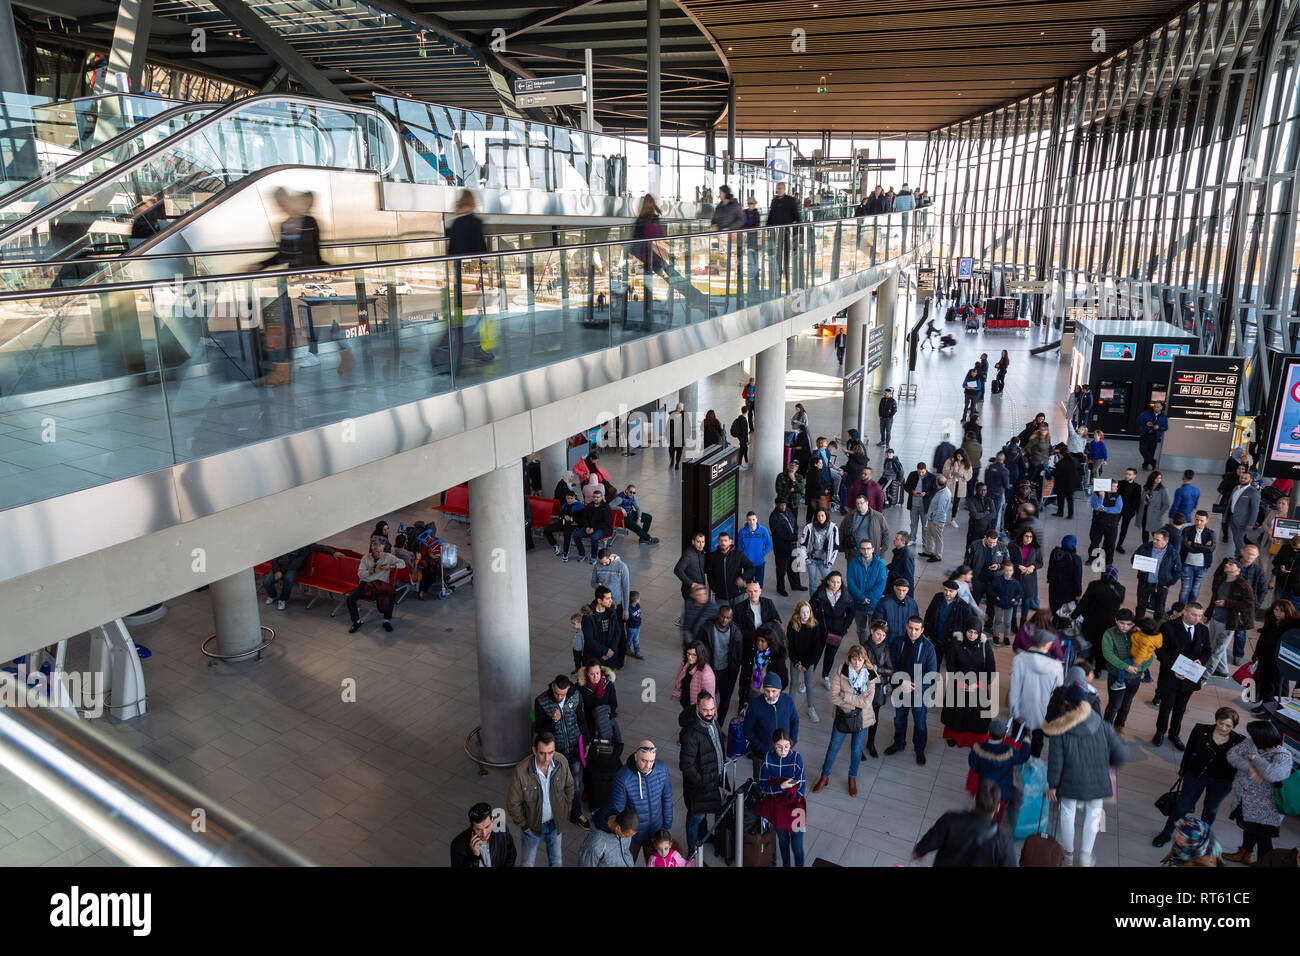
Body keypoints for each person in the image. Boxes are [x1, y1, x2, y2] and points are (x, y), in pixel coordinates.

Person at [1043, 684, 1128, 867]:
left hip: (1070, 781)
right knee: (1094, 814)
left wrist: (1052, 785)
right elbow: (1121, 754)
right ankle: (1085, 856)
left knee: (1067, 813)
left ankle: (1067, 854)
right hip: (1097, 781)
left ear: (1066, 703)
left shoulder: (1060, 729)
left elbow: (1055, 761)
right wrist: (1106, 765)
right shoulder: (1103, 725)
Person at [1152, 707, 1244, 847]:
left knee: (1210, 810)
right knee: (1182, 806)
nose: (1223, 728)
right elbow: (1189, 750)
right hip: (1196, 775)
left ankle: (1202, 837)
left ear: (1234, 726)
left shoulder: (1239, 742)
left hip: (1222, 781)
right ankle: (1166, 833)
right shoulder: (1201, 730)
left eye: (1228, 726)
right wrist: (1183, 770)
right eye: (1221, 723)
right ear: (1216, 720)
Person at [1223, 721, 1295, 863]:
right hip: (1246, 799)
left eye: (1253, 735)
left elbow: (1273, 775)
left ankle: (1265, 863)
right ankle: (1245, 854)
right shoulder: (1251, 743)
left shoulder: (1283, 755)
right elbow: (1232, 754)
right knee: (1249, 829)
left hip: (1268, 808)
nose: (1250, 737)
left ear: (1262, 737)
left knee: (1264, 841)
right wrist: (1249, 769)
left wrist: (1255, 759)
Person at [911, 778, 1016, 867]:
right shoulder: (1004, 841)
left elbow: (932, 838)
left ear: (975, 799)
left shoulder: (951, 820)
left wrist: (919, 851)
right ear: (998, 808)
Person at [532, 675, 592, 829]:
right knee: (556, 784)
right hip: (556, 752)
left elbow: (581, 719)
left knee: (575, 783)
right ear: (552, 686)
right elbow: (539, 730)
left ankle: (576, 813)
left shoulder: (575, 695)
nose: (559, 697)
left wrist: (586, 741)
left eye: (562, 694)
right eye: (557, 693)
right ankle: (552, 813)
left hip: (574, 747)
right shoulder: (541, 701)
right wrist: (552, 720)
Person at [506, 732, 574, 867]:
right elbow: (513, 803)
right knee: (527, 864)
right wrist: (524, 825)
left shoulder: (561, 762)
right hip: (532, 827)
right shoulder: (521, 771)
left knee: (556, 862)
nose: (547, 758)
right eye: (542, 753)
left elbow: (569, 787)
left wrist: (565, 810)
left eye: (551, 752)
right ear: (534, 750)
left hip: (555, 824)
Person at [1153, 602, 1211, 749]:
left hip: (1190, 677)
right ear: (1184, 612)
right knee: (1166, 706)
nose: (1197, 618)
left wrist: (1201, 661)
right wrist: (1173, 668)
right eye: (1194, 614)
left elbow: (1208, 650)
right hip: (1170, 675)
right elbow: (1160, 651)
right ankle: (1160, 732)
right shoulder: (1169, 627)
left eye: (1200, 616)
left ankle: (1174, 734)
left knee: (1181, 707)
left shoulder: (1203, 630)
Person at [444, 189, 490, 374]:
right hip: (473, 276)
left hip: (457, 277)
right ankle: (477, 350)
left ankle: (459, 353)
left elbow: (451, 251)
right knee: (477, 315)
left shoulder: (455, 223)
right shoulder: (476, 222)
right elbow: (482, 249)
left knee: (460, 316)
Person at [884, 616, 940, 765]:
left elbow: (932, 672)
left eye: (916, 629)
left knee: (920, 722)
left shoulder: (929, 648)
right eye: (910, 628)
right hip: (901, 689)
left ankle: (919, 749)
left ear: (922, 630)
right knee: (900, 719)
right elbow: (892, 665)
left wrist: (914, 684)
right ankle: (898, 744)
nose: (913, 632)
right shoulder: (898, 642)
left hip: (919, 691)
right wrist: (902, 682)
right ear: (906, 627)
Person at [678, 692, 725, 860]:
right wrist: (703, 781)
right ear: (697, 708)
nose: (710, 713)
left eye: (712, 709)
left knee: (705, 811)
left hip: (711, 779)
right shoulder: (691, 733)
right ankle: (692, 851)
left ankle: (704, 835)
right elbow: (686, 766)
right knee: (695, 816)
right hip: (699, 786)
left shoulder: (711, 721)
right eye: (705, 710)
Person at [609, 741, 674, 861]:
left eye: (651, 761)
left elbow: (667, 798)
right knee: (628, 862)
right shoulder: (623, 777)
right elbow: (617, 810)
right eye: (644, 760)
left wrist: (666, 825)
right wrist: (623, 834)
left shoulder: (661, 769)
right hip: (633, 835)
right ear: (636, 756)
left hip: (656, 831)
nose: (648, 766)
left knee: (656, 863)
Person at [1009, 628, 1064, 758]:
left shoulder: (1019, 659)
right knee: (1038, 738)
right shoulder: (1056, 666)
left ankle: (1014, 758)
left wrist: (1014, 710)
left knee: (1017, 735)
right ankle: (1033, 761)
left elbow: (1015, 687)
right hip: (1043, 710)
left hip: (1022, 707)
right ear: (1047, 644)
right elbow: (1059, 689)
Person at [940, 626, 996, 748]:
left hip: (978, 688)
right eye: (970, 631)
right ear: (965, 631)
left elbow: (991, 667)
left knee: (975, 718)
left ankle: (973, 740)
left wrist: (977, 685)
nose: (972, 635)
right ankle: (954, 737)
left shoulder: (984, 645)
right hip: (958, 685)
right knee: (956, 715)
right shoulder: (956, 644)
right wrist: (960, 683)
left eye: (976, 633)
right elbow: (951, 666)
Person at [967, 717, 1030, 823]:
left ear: (988, 732)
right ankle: (993, 827)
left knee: (982, 807)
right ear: (1004, 736)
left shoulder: (978, 748)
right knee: (997, 814)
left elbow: (973, 765)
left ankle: (979, 824)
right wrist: (1026, 743)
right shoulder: (1010, 752)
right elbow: (1023, 757)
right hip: (1002, 791)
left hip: (984, 786)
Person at [1205, 557, 1256, 677]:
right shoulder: (1221, 580)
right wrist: (1208, 613)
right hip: (1215, 618)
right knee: (1216, 646)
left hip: (1228, 622)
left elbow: (1249, 605)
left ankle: (1205, 675)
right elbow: (1214, 598)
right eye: (1227, 563)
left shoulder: (1243, 585)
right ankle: (1222, 671)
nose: (1227, 565)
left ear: (1238, 570)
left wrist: (1227, 603)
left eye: (1231, 564)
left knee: (1216, 650)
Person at [743, 673, 799, 781]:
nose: (770, 694)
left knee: (781, 782)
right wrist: (760, 747)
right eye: (767, 690)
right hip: (761, 756)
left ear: (780, 689)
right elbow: (747, 730)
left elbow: (795, 720)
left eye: (774, 691)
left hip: (784, 753)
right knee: (760, 782)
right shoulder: (755, 705)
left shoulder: (788, 700)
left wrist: (793, 740)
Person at [697, 603, 743, 724]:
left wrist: (735, 669)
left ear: (731, 618)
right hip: (709, 670)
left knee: (725, 700)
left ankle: (718, 726)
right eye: (722, 616)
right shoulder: (707, 628)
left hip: (727, 672)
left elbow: (738, 654)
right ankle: (705, 724)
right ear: (718, 615)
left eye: (728, 617)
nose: (724, 620)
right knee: (706, 699)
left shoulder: (735, 632)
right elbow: (697, 647)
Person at [1252, 600, 1300, 712]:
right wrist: (1256, 653)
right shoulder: (1271, 621)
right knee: (1266, 682)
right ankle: (1265, 704)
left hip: (1281, 660)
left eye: (1282, 611)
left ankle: (1274, 710)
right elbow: (1262, 638)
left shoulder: (1291, 624)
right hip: (1266, 657)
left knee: (1278, 685)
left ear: (1288, 612)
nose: (1277, 613)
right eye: (1276, 610)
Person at [263, 543, 342, 611]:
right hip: (280, 567)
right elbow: (274, 559)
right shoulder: (284, 543)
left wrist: (333, 552)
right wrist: (277, 570)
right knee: (267, 582)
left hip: (293, 569)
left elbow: (321, 548)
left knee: (289, 579)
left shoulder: (307, 547)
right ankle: (273, 595)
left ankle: (283, 599)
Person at [345, 540, 401, 634]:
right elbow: (360, 574)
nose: (380, 553)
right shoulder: (366, 558)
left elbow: (402, 563)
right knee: (350, 599)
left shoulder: (388, 557)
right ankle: (356, 622)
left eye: (381, 551)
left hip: (382, 584)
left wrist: (391, 566)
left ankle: (386, 621)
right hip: (367, 583)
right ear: (372, 550)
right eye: (377, 551)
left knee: (390, 594)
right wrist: (373, 571)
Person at [787, 599, 827, 723]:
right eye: (803, 612)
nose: (805, 615)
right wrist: (796, 662)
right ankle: (790, 708)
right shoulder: (792, 625)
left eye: (808, 612)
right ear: (798, 613)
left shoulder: (815, 625)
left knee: (809, 684)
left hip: (808, 661)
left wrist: (805, 664)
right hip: (795, 660)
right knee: (793, 683)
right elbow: (790, 645)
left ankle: (810, 708)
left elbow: (815, 648)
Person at [451, 801, 518, 867]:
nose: (484, 834)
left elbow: (511, 855)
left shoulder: (501, 831)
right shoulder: (458, 845)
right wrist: (475, 857)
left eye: (487, 827)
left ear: (492, 819)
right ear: (471, 826)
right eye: (478, 829)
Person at [1134, 529, 1182, 619]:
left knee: (1159, 610)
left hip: (1161, 586)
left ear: (1166, 541)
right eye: (1154, 539)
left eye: (1157, 540)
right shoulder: (1145, 547)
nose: (1154, 541)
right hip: (1144, 583)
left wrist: (1168, 583)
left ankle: (1156, 629)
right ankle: (1137, 626)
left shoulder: (1173, 553)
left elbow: (1178, 571)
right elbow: (1134, 558)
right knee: (1140, 607)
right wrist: (1140, 567)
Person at [846, 538, 888, 644]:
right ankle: (864, 649)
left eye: (868, 549)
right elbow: (851, 584)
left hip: (873, 604)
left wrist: (868, 598)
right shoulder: (853, 564)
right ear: (860, 550)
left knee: (874, 630)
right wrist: (862, 598)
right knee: (860, 629)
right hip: (858, 604)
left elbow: (881, 585)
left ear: (873, 549)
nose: (866, 551)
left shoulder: (880, 565)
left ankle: (872, 650)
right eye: (863, 549)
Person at [582, 586, 627, 669]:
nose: (611, 601)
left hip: (610, 657)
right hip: (594, 657)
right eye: (607, 598)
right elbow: (589, 640)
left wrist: (612, 650)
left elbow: (617, 631)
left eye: (611, 598)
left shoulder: (612, 612)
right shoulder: (588, 617)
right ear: (599, 600)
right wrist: (605, 651)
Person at [578, 658, 621, 743]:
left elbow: (613, 704)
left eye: (598, 673)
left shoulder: (608, 685)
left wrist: (605, 716)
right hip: (589, 723)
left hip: (606, 720)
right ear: (587, 674)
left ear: (601, 671)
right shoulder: (581, 688)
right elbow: (580, 708)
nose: (596, 677)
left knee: (614, 742)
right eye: (592, 674)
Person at [706, 531, 754, 606]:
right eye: (721, 540)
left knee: (737, 616)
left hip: (737, 595)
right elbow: (709, 574)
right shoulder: (713, 556)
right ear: (718, 541)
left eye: (725, 540)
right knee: (723, 617)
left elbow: (751, 568)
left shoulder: (738, 555)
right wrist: (715, 589)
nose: (723, 543)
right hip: (721, 597)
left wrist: (742, 578)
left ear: (730, 542)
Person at [1179, 510, 1217, 604]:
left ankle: (1190, 608)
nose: (1198, 522)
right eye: (1197, 520)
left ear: (1207, 520)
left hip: (1203, 565)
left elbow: (1210, 549)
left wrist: (1193, 544)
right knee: (1185, 588)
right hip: (1187, 563)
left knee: (1195, 588)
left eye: (1201, 520)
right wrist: (1203, 547)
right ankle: (1180, 610)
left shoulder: (1211, 533)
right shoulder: (1187, 530)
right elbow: (1185, 546)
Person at [800, 507, 839, 593]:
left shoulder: (833, 528)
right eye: (818, 516)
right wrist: (806, 559)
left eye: (822, 516)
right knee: (812, 583)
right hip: (812, 560)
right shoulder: (809, 527)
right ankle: (813, 604)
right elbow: (803, 544)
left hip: (825, 561)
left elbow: (836, 547)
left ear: (826, 516)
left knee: (828, 583)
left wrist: (830, 562)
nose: (820, 518)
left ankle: (826, 603)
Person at [674, 532, 710, 626]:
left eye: (703, 541)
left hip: (700, 589)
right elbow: (677, 570)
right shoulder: (688, 555)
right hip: (690, 591)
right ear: (693, 542)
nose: (701, 544)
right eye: (698, 542)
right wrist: (691, 584)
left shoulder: (702, 552)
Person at [769, 496, 802, 595]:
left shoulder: (788, 511)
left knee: (795, 566)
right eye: (781, 505)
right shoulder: (774, 517)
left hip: (793, 545)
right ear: (777, 505)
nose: (783, 506)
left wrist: (796, 534)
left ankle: (796, 585)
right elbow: (779, 533)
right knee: (781, 569)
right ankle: (780, 588)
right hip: (782, 548)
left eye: (784, 504)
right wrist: (792, 538)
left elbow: (795, 524)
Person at [1224, 470, 1261, 558]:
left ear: (1251, 480)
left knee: (1239, 540)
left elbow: (1255, 510)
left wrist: (1251, 523)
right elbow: (1230, 503)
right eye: (1241, 477)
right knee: (1236, 539)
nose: (1243, 479)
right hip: (1233, 518)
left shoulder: (1253, 492)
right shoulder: (1236, 488)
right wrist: (1225, 516)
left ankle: (1242, 557)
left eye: (1245, 478)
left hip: (1243, 521)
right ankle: (1238, 556)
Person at [672, 641, 716, 715]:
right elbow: (679, 678)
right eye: (688, 653)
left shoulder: (707, 673)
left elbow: (709, 698)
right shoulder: (685, 663)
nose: (689, 657)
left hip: (696, 708)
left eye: (693, 655)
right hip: (685, 701)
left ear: (700, 655)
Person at [1011, 528, 1043, 630]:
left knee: (1026, 602)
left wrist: (1033, 567)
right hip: (1016, 576)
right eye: (1026, 536)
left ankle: (1023, 623)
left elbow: (1040, 562)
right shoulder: (1013, 545)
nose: (1029, 539)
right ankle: (1013, 622)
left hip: (1029, 578)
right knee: (1015, 601)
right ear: (1022, 536)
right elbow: (1007, 560)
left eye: (1030, 537)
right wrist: (1018, 566)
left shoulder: (1036, 547)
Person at [920, 475, 952, 563]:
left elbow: (941, 510)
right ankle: (929, 551)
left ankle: (938, 556)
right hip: (932, 518)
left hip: (937, 520)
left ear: (937, 483)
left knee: (938, 538)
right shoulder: (941, 490)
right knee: (929, 535)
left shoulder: (944, 494)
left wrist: (935, 521)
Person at [736, 511, 772, 587]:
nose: (751, 522)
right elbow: (739, 546)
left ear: (756, 519)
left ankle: (758, 599)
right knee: (749, 585)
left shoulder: (763, 530)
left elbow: (769, 544)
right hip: (747, 563)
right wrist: (743, 556)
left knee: (759, 585)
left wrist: (763, 553)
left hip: (759, 562)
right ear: (747, 520)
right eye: (749, 520)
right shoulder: (742, 532)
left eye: (753, 519)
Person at [904, 462, 936, 545]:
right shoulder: (912, 474)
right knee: (913, 523)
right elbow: (906, 486)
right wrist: (912, 491)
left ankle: (925, 541)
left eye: (922, 472)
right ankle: (912, 539)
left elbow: (935, 490)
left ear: (926, 470)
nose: (921, 474)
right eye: (919, 472)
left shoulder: (932, 477)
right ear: (917, 469)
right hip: (914, 503)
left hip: (925, 505)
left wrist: (926, 494)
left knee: (925, 524)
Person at [1114, 467, 1143, 554]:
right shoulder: (1120, 483)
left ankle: (1119, 545)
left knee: (1124, 528)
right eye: (1126, 474)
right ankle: (1110, 543)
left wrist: (1135, 511)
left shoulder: (1137, 487)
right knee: (1113, 526)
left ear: (1134, 476)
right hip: (1118, 509)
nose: (1127, 476)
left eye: (1129, 474)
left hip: (1129, 511)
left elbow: (1138, 500)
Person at [1140, 471, 1171, 545]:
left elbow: (1166, 504)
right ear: (1152, 478)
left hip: (1155, 514)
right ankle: (1145, 547)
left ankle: (1158, 547)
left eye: (1160, 478)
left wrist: (1159, 514)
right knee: (1144, 532)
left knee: (1156, 533)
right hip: (1145, 512)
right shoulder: (1146, 487)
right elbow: (1142, 499)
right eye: (1156, 478)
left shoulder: (1163, 490)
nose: (1158, 480)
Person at [1136, 401, 1168, 470]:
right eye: (1155, 407)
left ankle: (1145, 465)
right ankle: (1153, 462)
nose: (1156, 408)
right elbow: (1138, 420)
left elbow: (1165, 427)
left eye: (1158, 407)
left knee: (1151, 451)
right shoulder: (1146, 413)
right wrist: (1146, 423)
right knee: (1142, 449)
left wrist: (1159, 427)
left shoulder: (1164, 417)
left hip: (1155, 436)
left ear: (1162, 407)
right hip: (1145, 434)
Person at [667, 402, 687, 469]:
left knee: (679, 452)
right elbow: (668, 426)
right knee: (671, 450)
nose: (678, 409)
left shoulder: (685, 416)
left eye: (679, 408)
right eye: (677, 408)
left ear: (682, 409)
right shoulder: (672, 415)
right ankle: (672, 460)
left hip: (680, 438)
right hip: (672, 437)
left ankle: (677, 463)